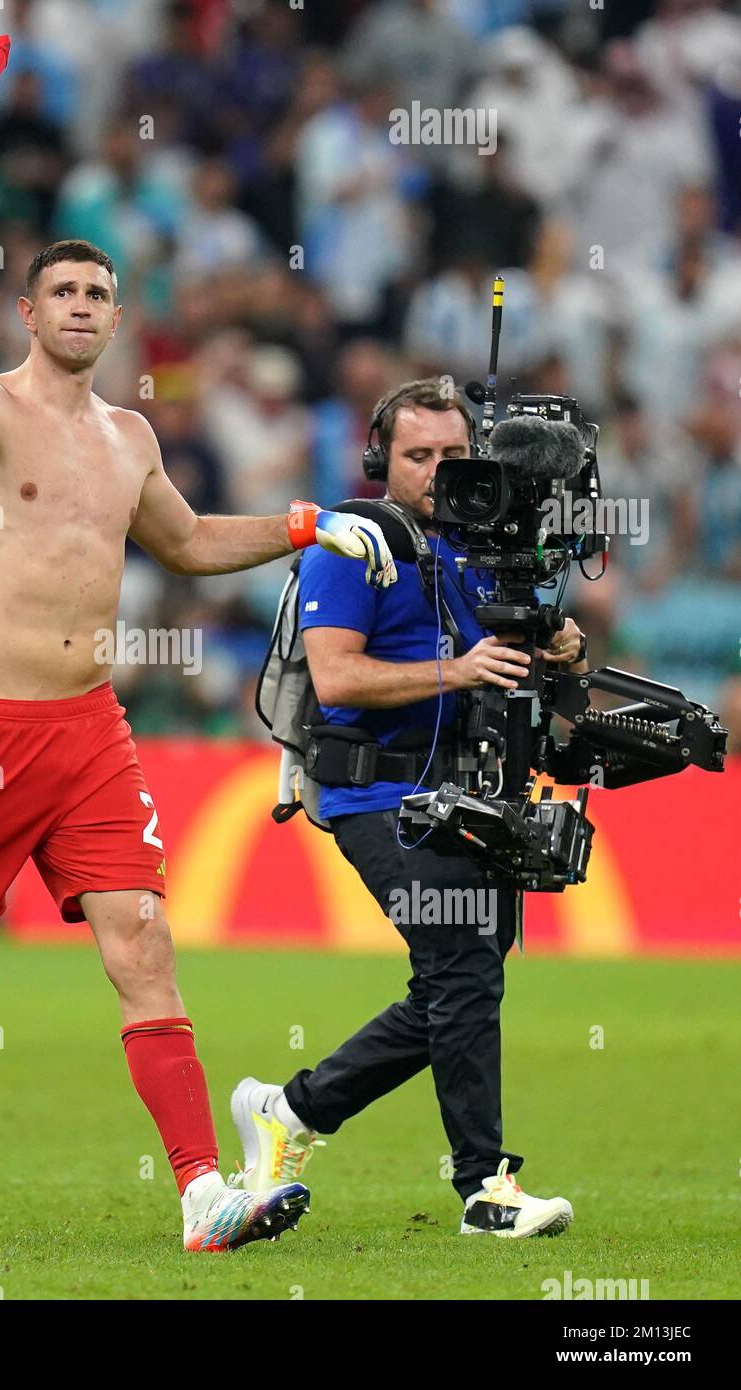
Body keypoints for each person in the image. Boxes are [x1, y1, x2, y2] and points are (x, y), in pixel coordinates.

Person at [0, 104, 401, 1250]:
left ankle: (201, 1193)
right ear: (30, 313)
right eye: (63, 294)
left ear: (117, 319)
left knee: (144, 940)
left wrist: (312, 522)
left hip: (89, 732)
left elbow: (187, 545)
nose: (81, 309)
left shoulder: (131, 440)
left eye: (98, 297)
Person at [232, 378, 585, 1238]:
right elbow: (338, 676)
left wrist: (563, 651)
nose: (435, 471)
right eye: (417, 455)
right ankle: (484, 1189)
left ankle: (291, 1109)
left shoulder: (477, 549)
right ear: (379, 462)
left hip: (464, 791)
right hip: (376, 793)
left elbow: (518, 673)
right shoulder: (351, 548)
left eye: (452, 456)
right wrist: (460, 671)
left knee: (463, 971)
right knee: (464, 967)